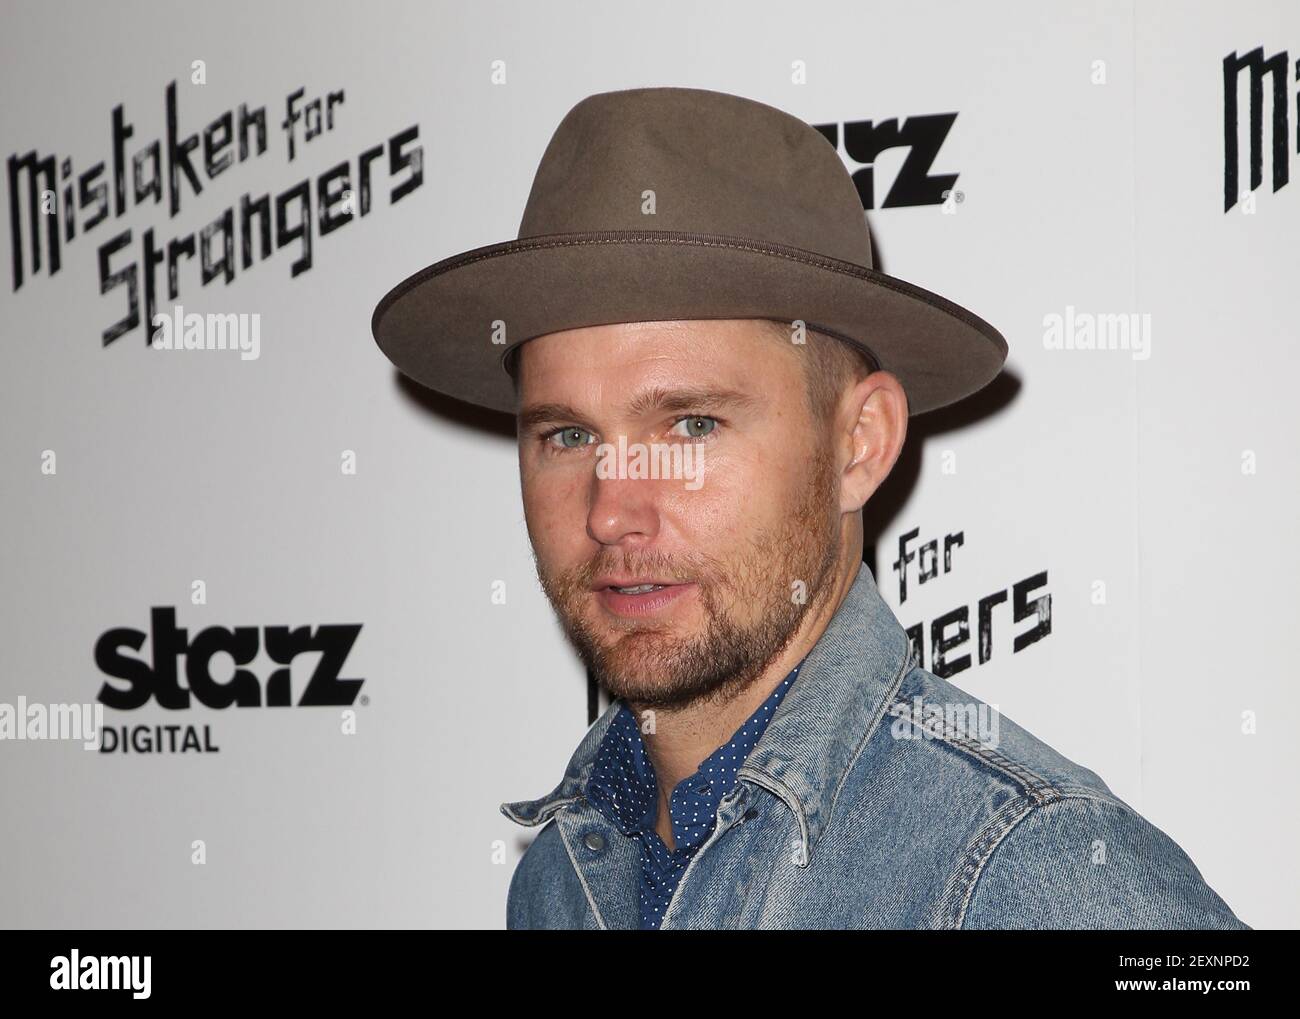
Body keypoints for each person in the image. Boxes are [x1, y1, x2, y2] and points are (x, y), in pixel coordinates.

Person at [371, 86, 1249, 930]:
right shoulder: (564, 873)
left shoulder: (1022, 868)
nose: (611, 512)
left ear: (859, 444)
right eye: (566, 437)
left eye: (692, 424)